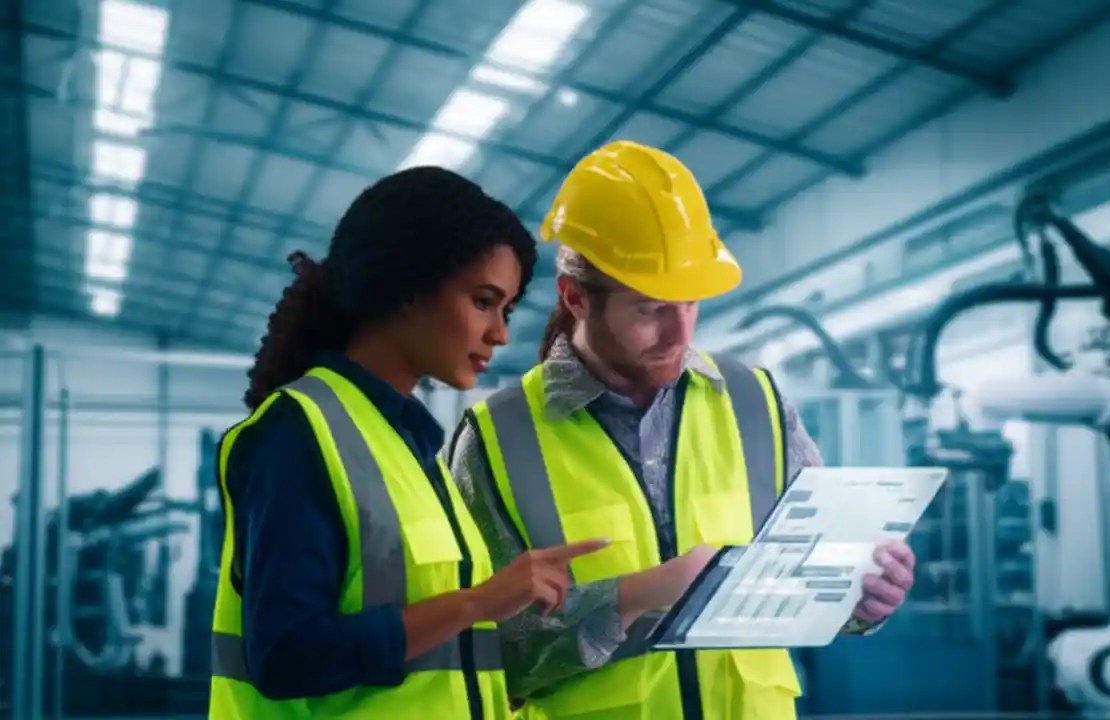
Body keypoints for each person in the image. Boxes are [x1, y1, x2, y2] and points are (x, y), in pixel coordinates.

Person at [448, 141, 917, 720]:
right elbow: (481, 654)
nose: (678, 333)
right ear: (575, 298)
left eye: (690, 304)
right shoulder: (499, 438)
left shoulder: (756, 403)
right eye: (650, 309)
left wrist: (863, 599)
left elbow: (817, 579)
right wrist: (633, 596)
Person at [207, 167, 608, 719]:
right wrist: (478, 602)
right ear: (407, 290)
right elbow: (287, 657)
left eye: (507, 310)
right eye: (483, 301)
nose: (500, 334)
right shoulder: (296, 435)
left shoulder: (411, 451)